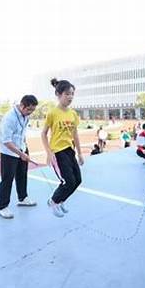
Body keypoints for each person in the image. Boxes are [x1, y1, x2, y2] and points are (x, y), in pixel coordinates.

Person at [42, 78, 84, 218]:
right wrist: (48, 153)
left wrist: (80, 154)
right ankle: (53, 201)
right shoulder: (52, 113)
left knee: (78, 180)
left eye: (72, 94)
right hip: (58, 152)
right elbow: (43, 134)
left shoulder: (72, 114)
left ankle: (61, 201)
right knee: (68, 181)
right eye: (67, 94)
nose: (70, 97)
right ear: (58, 95)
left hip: (69, 150)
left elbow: (75, 134)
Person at [0, 95, 39, 219]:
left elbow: (22, 133)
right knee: (7, 179)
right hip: (9, 152)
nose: (30, 113)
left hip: (21, 148)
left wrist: (24, 149)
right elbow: (6, 141)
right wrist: (21, 154)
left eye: (32, 110)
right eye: (29, 110)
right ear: (22, 105)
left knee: (22, 174)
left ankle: (23, 198)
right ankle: (3, 207)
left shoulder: (25, 116)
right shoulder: (9, 118)